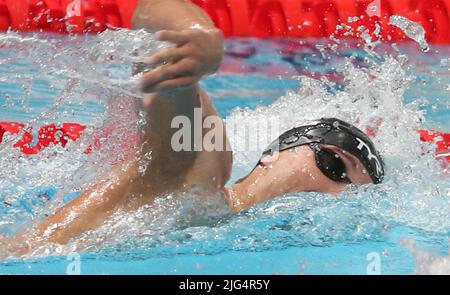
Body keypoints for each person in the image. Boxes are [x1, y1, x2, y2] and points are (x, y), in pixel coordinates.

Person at [0, 0, 384, 256]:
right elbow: (152, 12)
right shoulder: (208, 172)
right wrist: (197, 37)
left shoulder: (222, 226)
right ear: (272, 154)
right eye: (334, 165)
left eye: (354, 194)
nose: (336, 195)